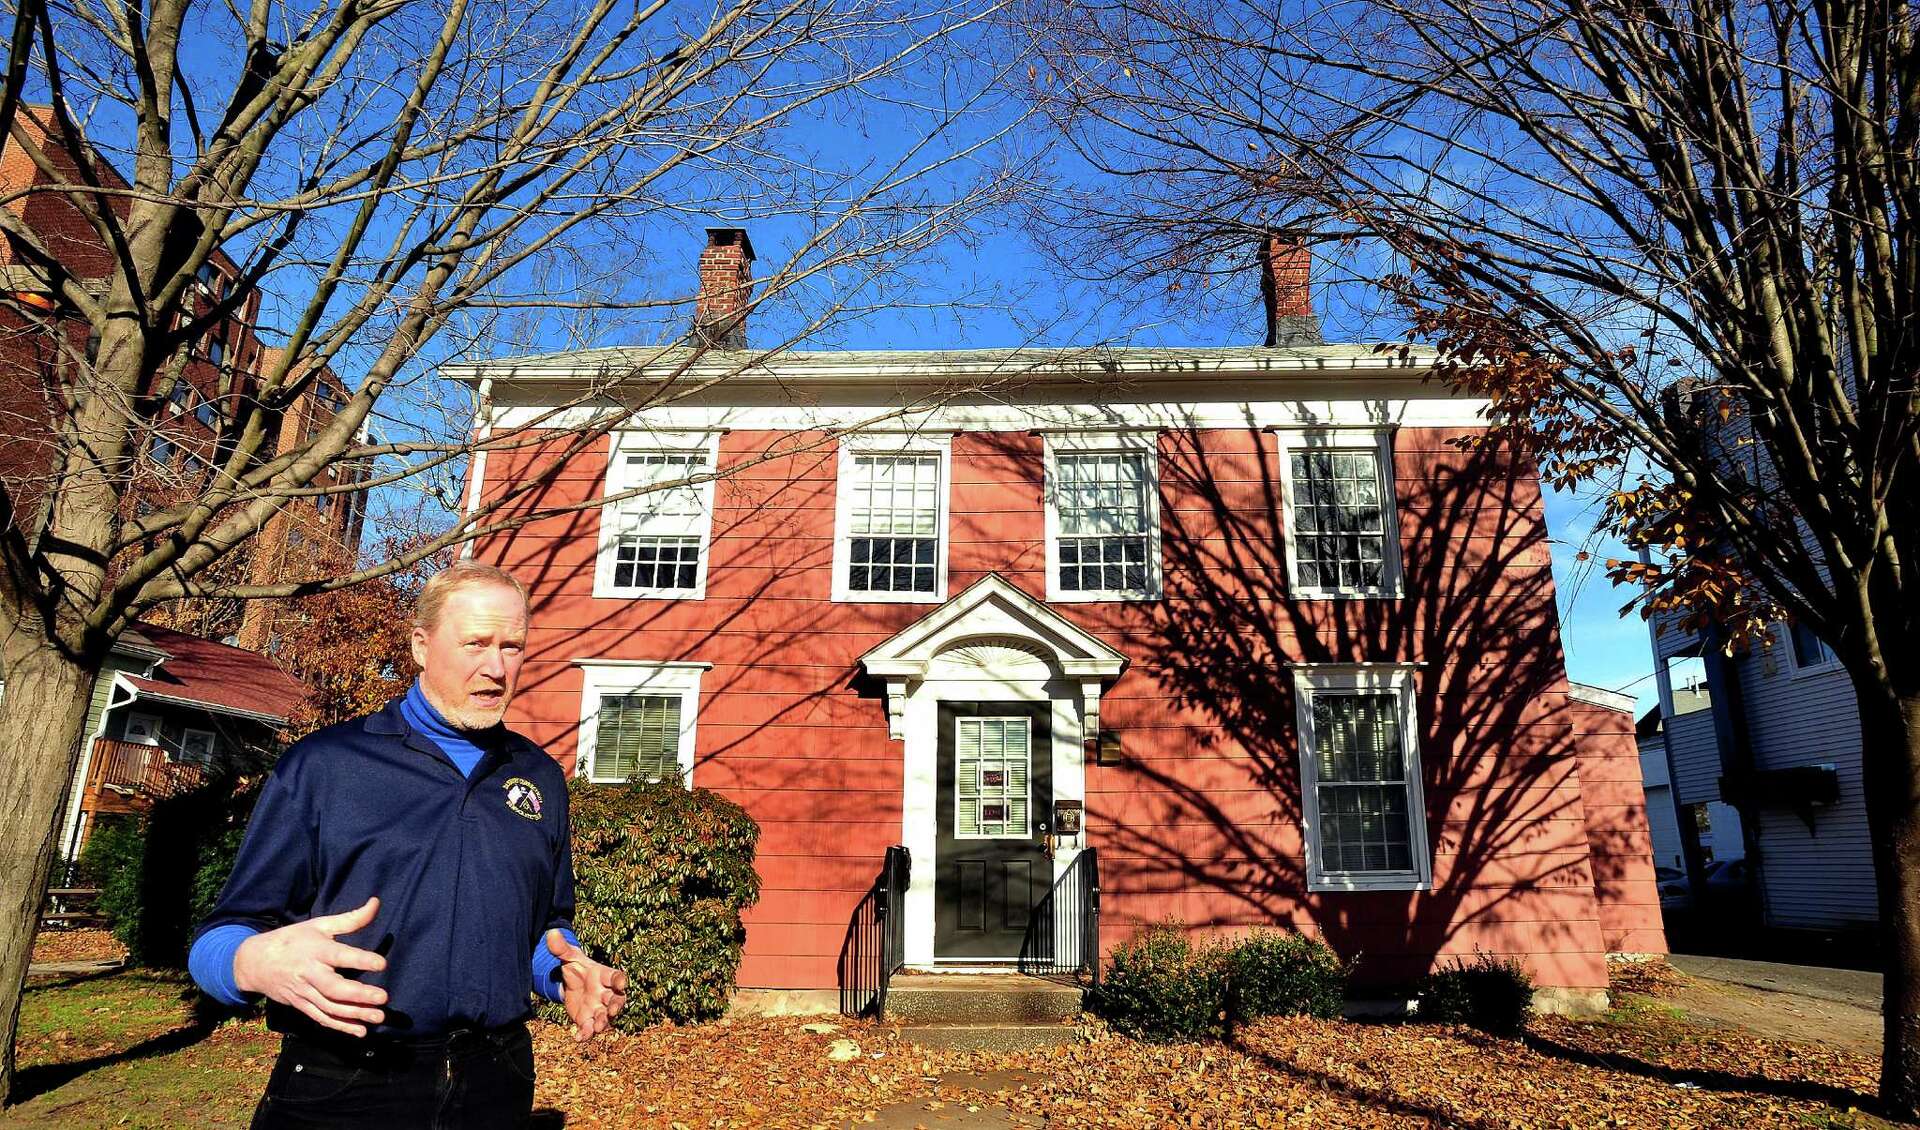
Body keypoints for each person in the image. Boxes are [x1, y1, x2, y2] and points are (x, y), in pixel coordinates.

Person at [188, 562, 628, 1129]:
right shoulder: (326, 765)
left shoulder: (538, 776)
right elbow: (221, 935)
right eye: (475, 643)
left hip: (496, 1080)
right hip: (345, 1078)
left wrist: (561, 972)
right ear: (421, 645)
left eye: (512, 647)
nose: (496, 668)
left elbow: (544, 926)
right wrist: (250, 962)